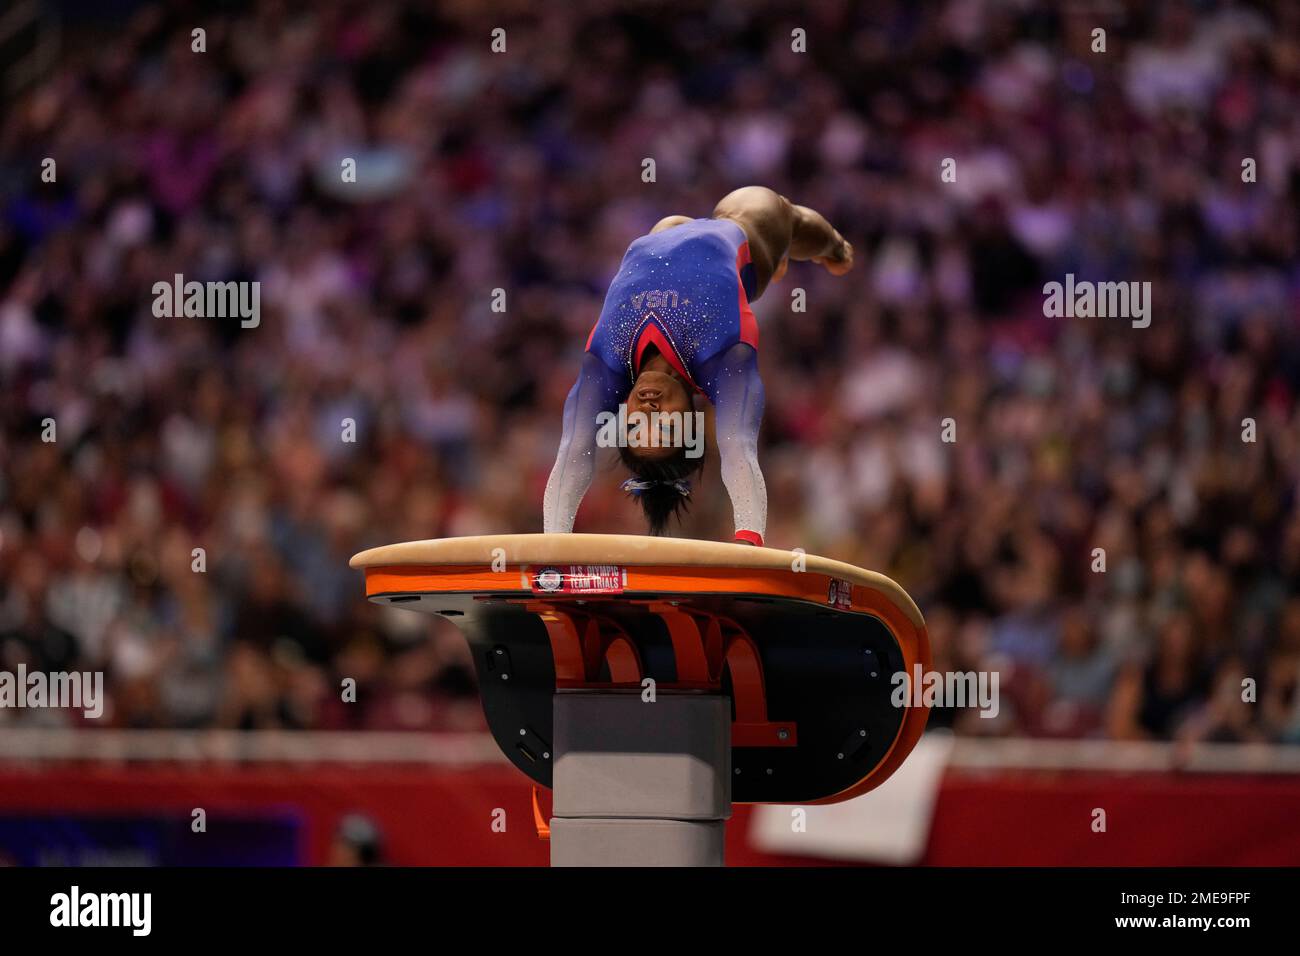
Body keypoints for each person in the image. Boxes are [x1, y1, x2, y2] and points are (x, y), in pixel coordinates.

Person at [542, 186, 852, 546]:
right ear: (691, 417)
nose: (649, 410)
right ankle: (835, 247)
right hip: (741, 238)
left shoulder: (607, 364)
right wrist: (748, 540)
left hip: (657, 235)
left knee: (670, 225)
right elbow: (739, 446)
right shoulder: (723, 357)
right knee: (775, 212)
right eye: (663, 425)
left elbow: (573, 450)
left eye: (636, 426)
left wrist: (553, 542)